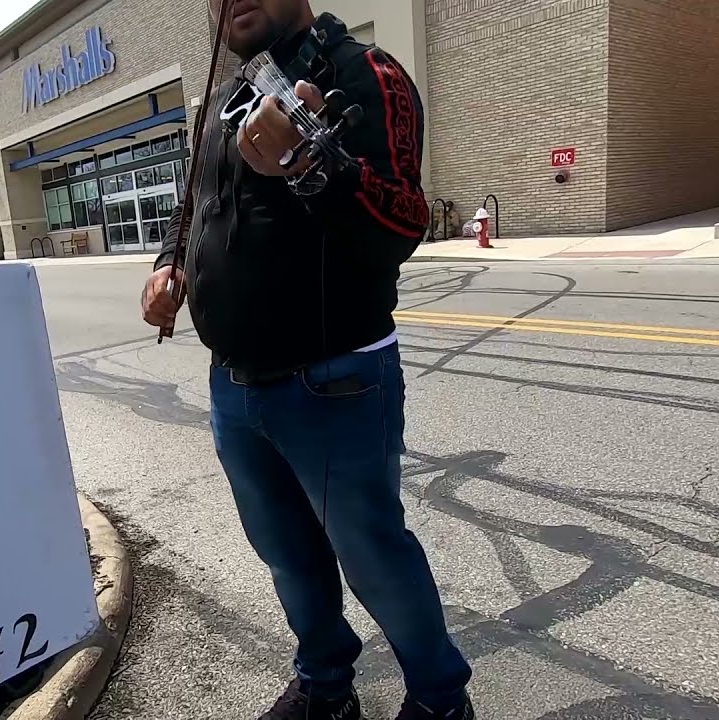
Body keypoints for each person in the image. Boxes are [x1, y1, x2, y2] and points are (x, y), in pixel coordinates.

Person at [140, 2, 474, 719]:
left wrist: (309, 164)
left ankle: (441, 701)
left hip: (334, 377)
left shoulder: (362, 71)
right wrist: (172, 265)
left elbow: (404, 221)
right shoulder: (225, 98)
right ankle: (327, 689)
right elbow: (193, 204)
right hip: (234, 382)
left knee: (374, 559)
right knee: (289, 557)